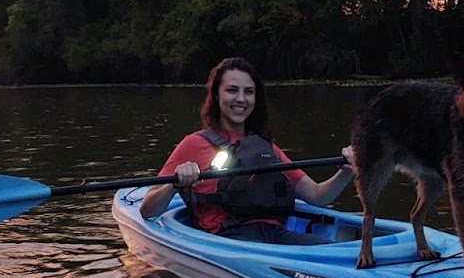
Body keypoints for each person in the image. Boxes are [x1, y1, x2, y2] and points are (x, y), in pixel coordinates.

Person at [140, 56, 356, 242]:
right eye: (232, 90)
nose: (241, 99)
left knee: (332, 251)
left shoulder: (265, 147)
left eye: (249, 92)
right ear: (216, 95)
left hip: (276, 235)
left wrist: (346, 171)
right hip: (230, 240)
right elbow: (148, 210)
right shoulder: (193, 144)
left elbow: (318, 196)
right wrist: (175, 184)